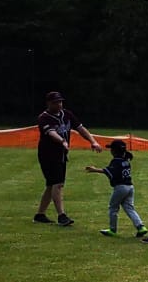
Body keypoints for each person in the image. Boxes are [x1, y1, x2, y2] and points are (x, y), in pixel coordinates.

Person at [34, 91, 101, 226]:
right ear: (49, 103)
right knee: (58, 184)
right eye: (55, 102)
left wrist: (93, 141)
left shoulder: (67, 114)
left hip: (61, 155)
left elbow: (80, 128)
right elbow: (51, 133)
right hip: (48, 155)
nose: (59, 105)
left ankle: (40, 215)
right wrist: (62, 141)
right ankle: (62, 216)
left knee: (51, 185)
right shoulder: (44, 118)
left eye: (60, 102)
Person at [85, 139, 146, 238]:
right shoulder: (126, 161)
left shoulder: (116, 161)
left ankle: (112, 229)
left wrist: (94, 169)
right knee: (129, 208)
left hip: (120, 187)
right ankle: (140, 226)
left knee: (113, 208)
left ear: (114, 151)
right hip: (130, 187)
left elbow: (109, 171)